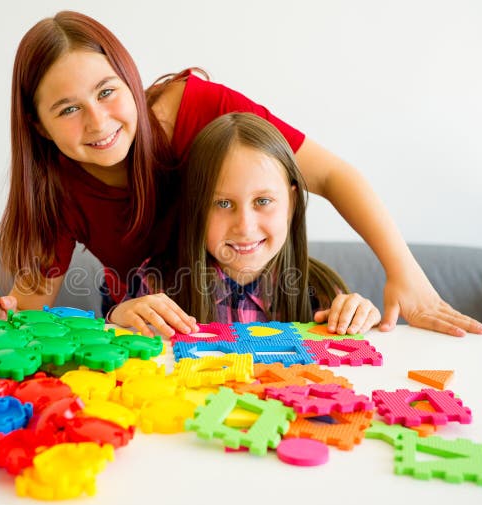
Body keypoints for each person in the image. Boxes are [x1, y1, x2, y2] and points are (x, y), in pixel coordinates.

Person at [0, 10, 482, 338]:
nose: (98, 122)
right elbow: (25, 320)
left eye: (108, 92)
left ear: (132, 83)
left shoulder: (198, 111)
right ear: (39, 127)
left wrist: (404, 274)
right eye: (67, 110)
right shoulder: (55, 192)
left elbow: (329, 174)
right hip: (160, 329)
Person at [108, 113, 381, 337]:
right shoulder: (157, 283)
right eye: (223, 204)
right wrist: (116, 318)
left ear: (291, 203)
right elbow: (118, 346)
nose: (245, 226)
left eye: (263, 201)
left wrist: (359, 316)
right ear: (195, 209)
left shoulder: (320, 291)